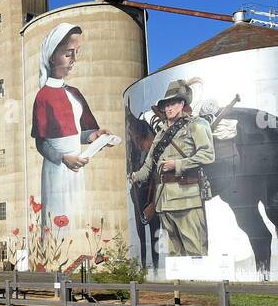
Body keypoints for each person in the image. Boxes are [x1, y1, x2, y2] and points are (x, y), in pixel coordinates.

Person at [31, 23, 111, 237]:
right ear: (52, 57)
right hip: (57, 168)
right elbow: (41, 141)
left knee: (78, 216)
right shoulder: (43, 96)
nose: (73, 59)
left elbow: (80, 132)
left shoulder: (74, 92)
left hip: (77, 165)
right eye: (68, 54)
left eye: (76, 53)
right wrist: (63, 158)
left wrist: (96, 135)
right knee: (58, 223)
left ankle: (80, 261)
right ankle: (57, 267)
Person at [128, 79, 215, 256]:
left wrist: (178, 164)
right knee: (174, 256)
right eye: (166, 104)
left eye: (173, 103)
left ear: (182, 103)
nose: (169, 108)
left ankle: (198, 284)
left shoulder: (196, 125)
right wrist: (136, 176)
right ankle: (180, 284)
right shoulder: (160, 134)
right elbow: (149, 164)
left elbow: (207, 154)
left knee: (194, 250)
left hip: (187, 198)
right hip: (164, 202)